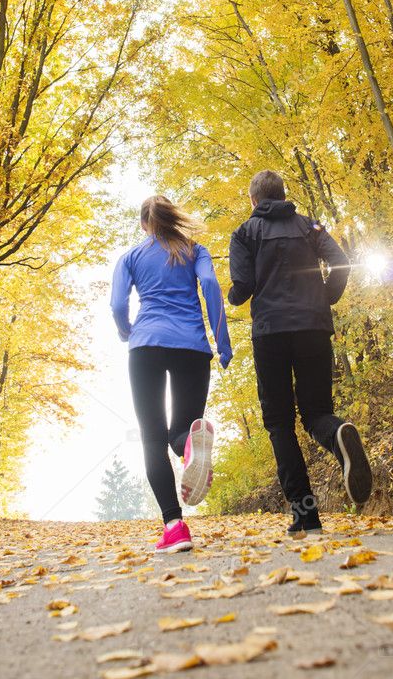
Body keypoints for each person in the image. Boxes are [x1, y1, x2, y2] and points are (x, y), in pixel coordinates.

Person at [228, 169, 372, 535]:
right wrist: (325, 297)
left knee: (279, 423)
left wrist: (233, 296)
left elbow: (242, 287)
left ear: (253, 201)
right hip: (313, 328)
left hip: (270, 333)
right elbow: (341, 261)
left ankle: (305, 514)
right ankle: (338, 435)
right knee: (316, 412)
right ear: (283, 194)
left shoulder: (245, 233)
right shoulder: (310, 226)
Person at [110, 195, 232, 553]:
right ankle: (191, 447)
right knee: (183, 430)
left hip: (145, 346)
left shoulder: (131, 257)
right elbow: (210, 287)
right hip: (192, 347)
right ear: (172, 218)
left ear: (144, 225)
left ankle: (174, 527)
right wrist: (222, 344)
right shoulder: (196, 250)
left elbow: (118, 304)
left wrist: (127, 331)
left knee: (151, 438)